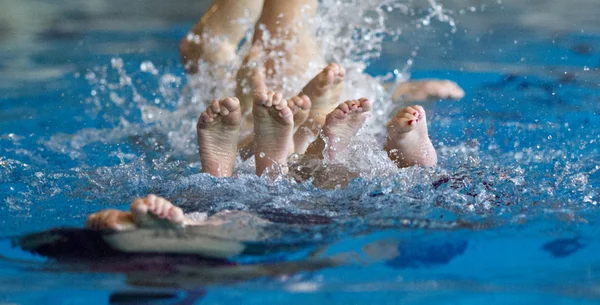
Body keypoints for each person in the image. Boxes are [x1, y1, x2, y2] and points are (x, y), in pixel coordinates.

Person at [86, 0, 463, 231]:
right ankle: (314, 127)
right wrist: (399, 90)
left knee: (239, 68)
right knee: (270, 52)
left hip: (257, 153)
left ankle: (297, 129)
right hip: (309, 152)